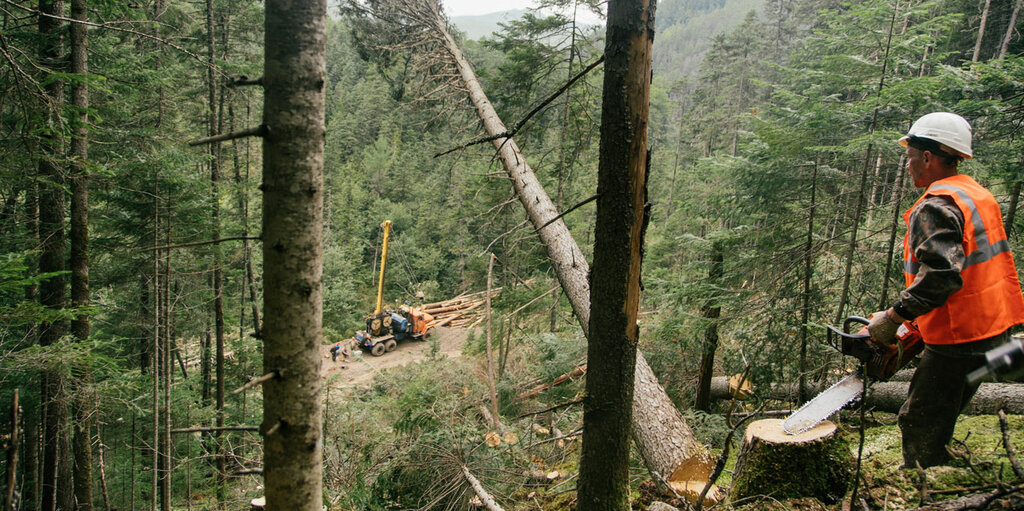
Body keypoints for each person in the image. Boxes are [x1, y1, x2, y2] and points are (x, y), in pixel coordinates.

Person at [865, 112, 1024, 469]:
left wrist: (894, 317)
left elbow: (941, 276)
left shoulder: (935, 206)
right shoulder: (975, 194)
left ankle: (925, 479)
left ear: (927, 157)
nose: (907, 165)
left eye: (909, 157)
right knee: (945, 406)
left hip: (960, 336)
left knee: (919, 419)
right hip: (993, 325)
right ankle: (940, 459)